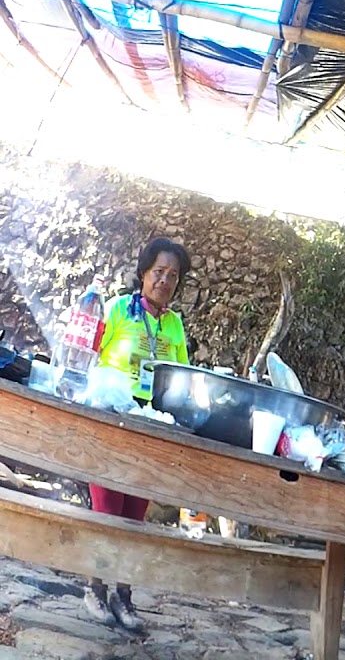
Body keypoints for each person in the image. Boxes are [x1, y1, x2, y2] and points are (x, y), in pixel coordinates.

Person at [84, 238, 192, 630]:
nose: (164, 280)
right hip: (114, 419)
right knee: (108, 508)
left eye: (173, 276)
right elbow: (85, 351)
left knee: (135, 515)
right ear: (143, 274)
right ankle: (94, 588)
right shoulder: (116, 309)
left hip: (151, 424)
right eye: (158, 272)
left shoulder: (175, 324)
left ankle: (123, 595)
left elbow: (181, 378)